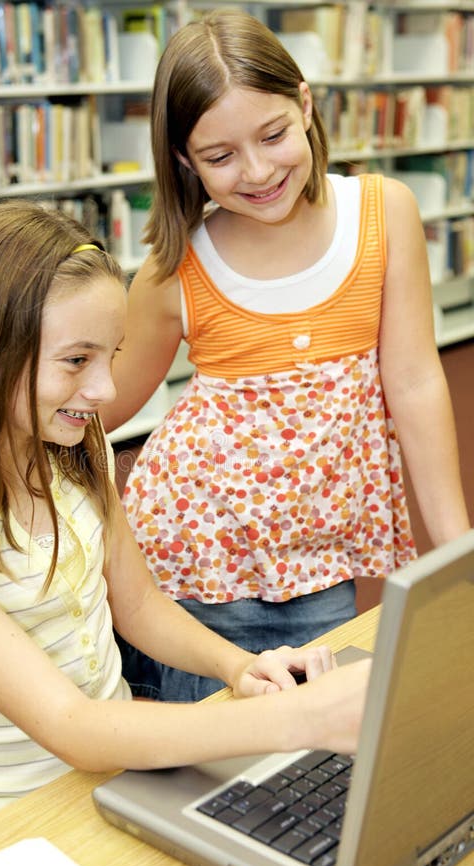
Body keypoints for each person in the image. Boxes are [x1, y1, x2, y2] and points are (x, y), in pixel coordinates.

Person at [0, 200, 370, 854]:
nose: (104, 389)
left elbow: (136, 603)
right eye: (77, 361)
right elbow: (71, 725)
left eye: (112, 355)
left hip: (114, 780)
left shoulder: (74, 448)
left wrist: (240, 669)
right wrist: (293, 719)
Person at [100, 10, 471, 702]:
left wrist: (457, 553)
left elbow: (416, 381)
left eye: (272, 135)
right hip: (190, 569)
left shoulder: (385, 214)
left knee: (320, 758)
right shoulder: (174, 267)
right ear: (184, 159)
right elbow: (102, 399)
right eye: (220, 156)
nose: (258, 169)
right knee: (211, 771)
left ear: (305, 105)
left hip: (320, 562)